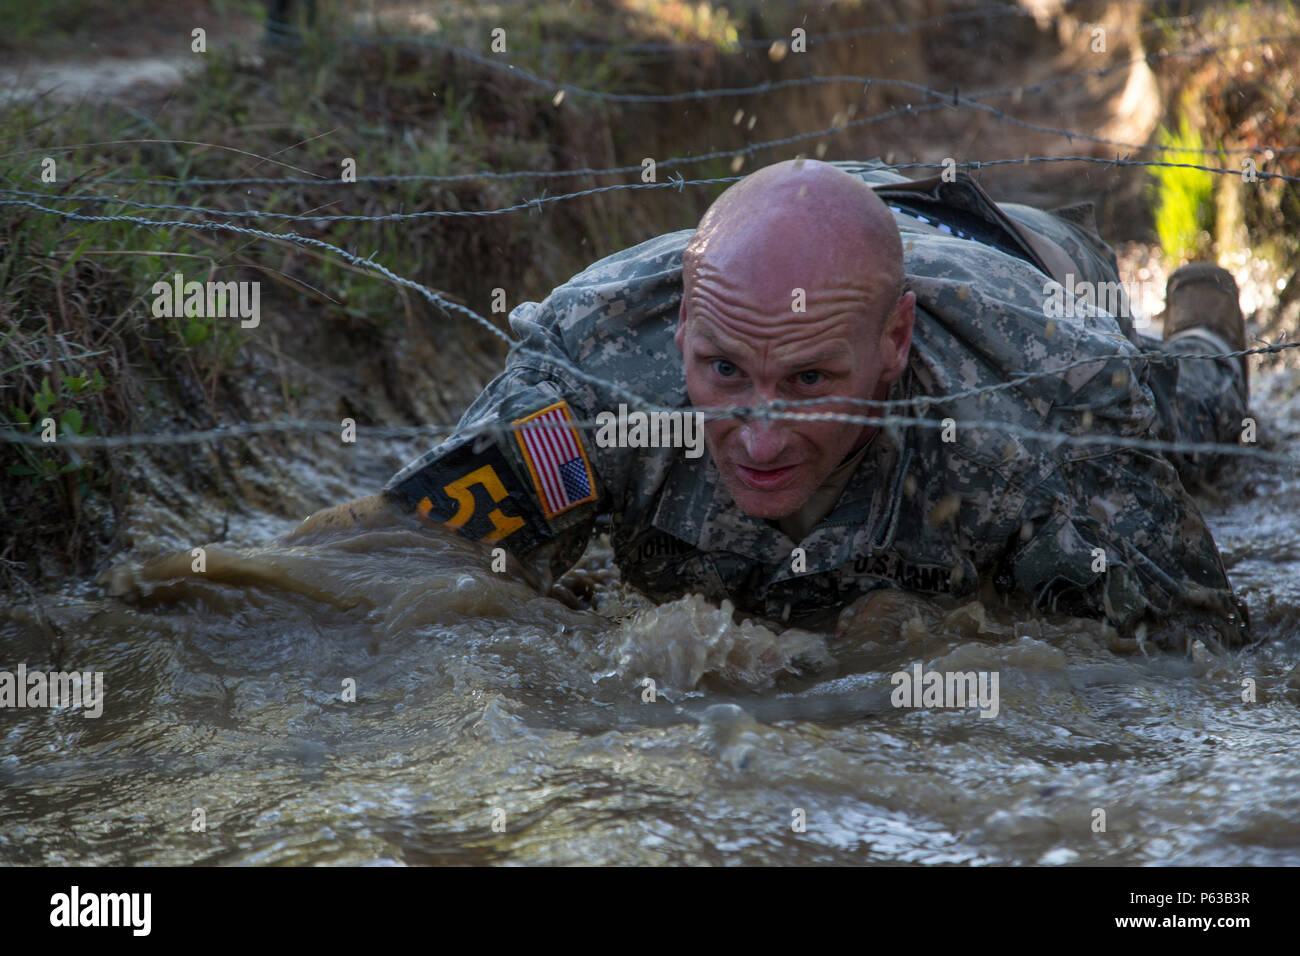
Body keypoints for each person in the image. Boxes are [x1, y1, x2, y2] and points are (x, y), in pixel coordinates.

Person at [301, 159, 1254, 649]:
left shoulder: (1041, 404)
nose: (758, 436)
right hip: (790, 238)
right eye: (722, 374)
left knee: (1205, 427)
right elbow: (400, 551)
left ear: (892, 347)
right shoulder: (596, 379)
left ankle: (1206, 307)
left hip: (1017, 257)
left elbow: (1191, 654)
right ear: (681, 335)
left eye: (807, 382)